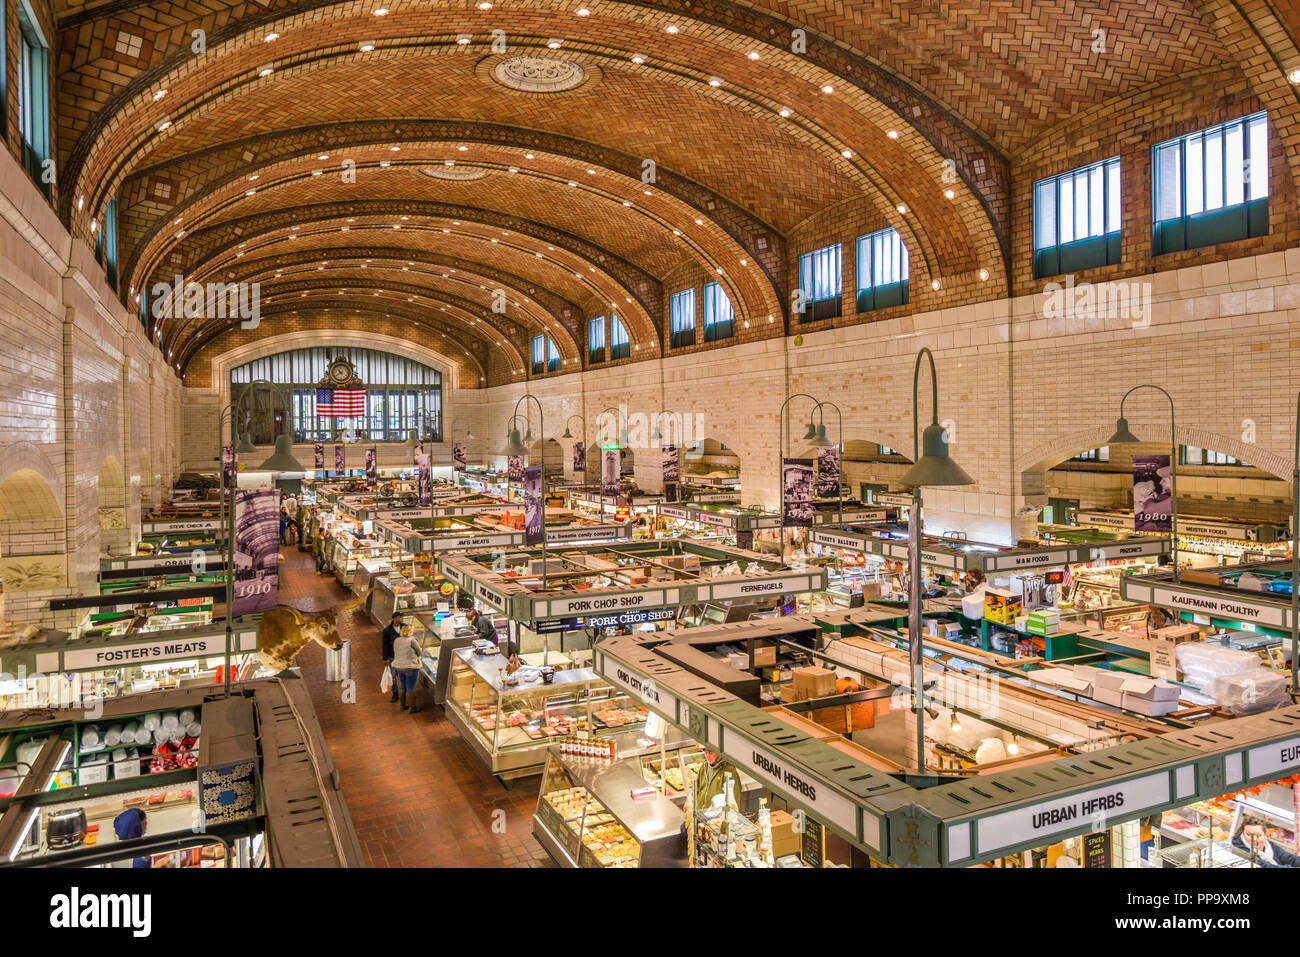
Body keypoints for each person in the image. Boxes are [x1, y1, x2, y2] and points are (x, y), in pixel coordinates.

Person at [1231, 814, 1300, 867]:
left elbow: (1289, 858)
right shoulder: (1239, 848)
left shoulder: (1268, 845)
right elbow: (1265, 866)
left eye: (1258, 835)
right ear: (1243, 833)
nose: (1254, 839)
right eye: (1248, 834)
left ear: (1265, 835)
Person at [389, 623, 423, 714]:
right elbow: (419, 652)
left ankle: (402, 705)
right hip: (411, 667)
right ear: (410, 632)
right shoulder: (412, 640)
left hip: (399, 667)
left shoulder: (396, 640)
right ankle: (412, 707)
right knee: (410, 688)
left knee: (403, 686)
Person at [381, 613, 403, 703]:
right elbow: (384, 645)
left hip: (402, 657)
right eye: (400, 617)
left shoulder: (405, 627)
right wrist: (385, 658)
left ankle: (404, 693)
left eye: (402, 617)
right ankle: (395, 694)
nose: (402, 619)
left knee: (403, 676)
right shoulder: (387, 631)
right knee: (393, 677)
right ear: (394, 619)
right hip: (392, 657)